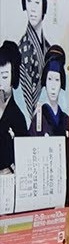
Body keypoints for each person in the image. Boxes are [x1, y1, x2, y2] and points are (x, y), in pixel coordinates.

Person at [18, 0, 52, 124]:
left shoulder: (49, 49)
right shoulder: (23, 50)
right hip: (33, 123)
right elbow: (26, 102)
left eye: (37, 2)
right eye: (29, 1)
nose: (32, 8)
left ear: (44, 4)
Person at [0, 41, 28, 174]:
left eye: (5, 76)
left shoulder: (18, 119)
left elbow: (24, 161)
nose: (0, 82)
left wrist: (11, 169)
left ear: (13, 78)